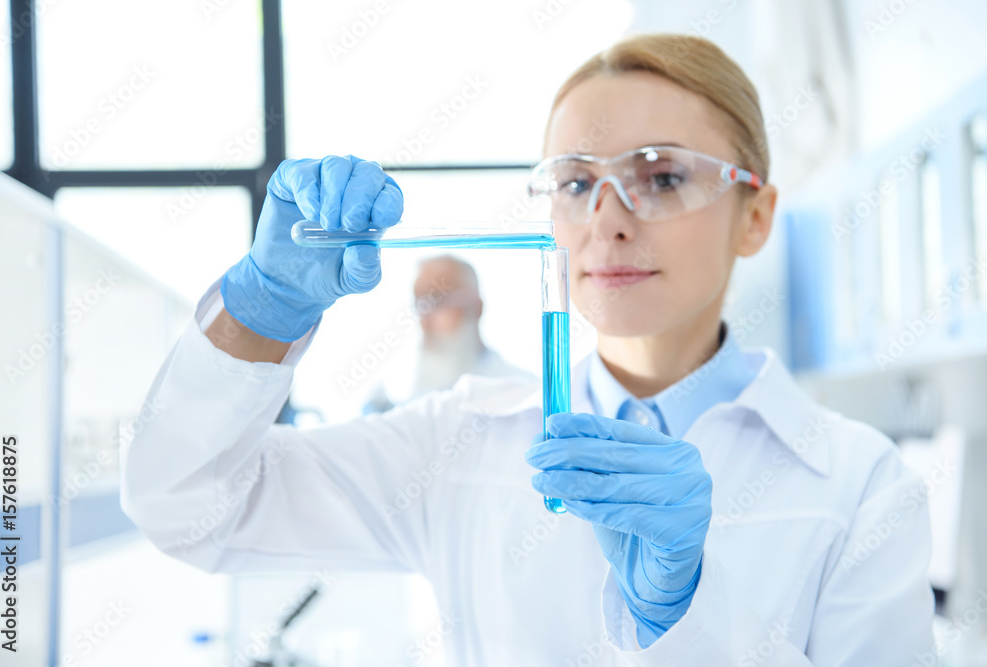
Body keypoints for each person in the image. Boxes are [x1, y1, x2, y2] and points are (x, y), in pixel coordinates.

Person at [121, 34, 936, 665]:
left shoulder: (864, 486)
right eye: (577, 183)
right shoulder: (455, 442)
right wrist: (264, 307)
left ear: (755, 215)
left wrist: (690, 609)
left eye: (660, 177)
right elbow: (187, 508)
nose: (608, 218)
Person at [364, 254, 536, 414]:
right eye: (420, 305)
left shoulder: (524, 394)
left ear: (476, 308)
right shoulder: (403, 397)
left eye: (438, 301)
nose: (426, 321)